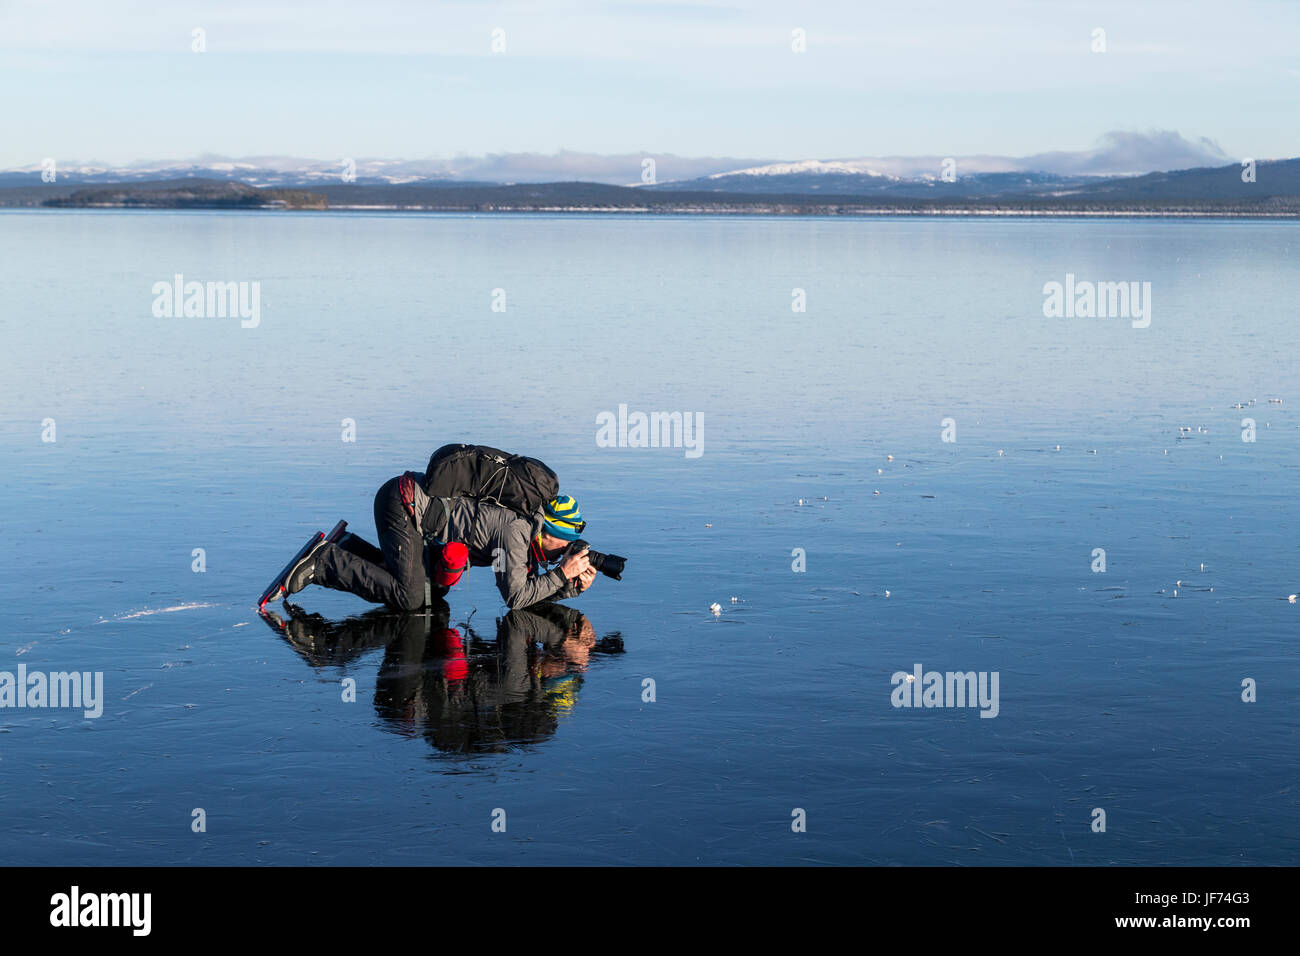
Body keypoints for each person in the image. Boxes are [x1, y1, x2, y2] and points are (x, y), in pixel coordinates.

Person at [273, 469, 597, 611]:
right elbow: (513, 598)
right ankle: (323, 561)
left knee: (432, 592)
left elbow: (523, 592)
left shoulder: (522, 534)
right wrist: (561, 574)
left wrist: (568, 587)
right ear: (547, 530)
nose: (566, 550)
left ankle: (349, 549)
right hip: (403, 503)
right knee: (409, 597)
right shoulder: (515, 532)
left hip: (416, 512)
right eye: (564, 541)